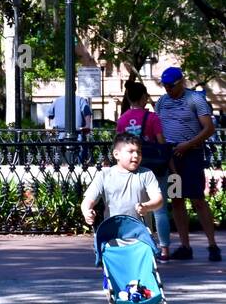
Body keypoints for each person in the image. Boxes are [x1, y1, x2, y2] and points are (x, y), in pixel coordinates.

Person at [155, 67, 220, 261]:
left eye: (171, 86)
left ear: (181, 82)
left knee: (197, 199)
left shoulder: (195, 100)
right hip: (172, 157)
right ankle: (185, 246)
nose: (168, 89)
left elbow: (209, 128)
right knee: (176, 199)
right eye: (165, 86)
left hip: (191, 155)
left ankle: (212, 245)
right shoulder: (162, 102)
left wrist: (188, 144)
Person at [116, 81, 172, 260]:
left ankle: (146, 245)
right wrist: (171, 166)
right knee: (159, 208)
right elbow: (161, 142)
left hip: (133, 168)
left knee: (140, 208)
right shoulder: (153, 118)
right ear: (144, 98)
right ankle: (165, 249)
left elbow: (118, 143)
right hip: (155, 166)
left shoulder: (123, 119)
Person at [80, 132, 164, 226]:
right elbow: (88, 200)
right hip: (113, 235)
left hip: (141, 236)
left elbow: (158, 200)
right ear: (116, 154)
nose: (136, 155)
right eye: (131, 151)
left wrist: (146, 206)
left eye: (139, 152)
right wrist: (87, 212)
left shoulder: (146, 174)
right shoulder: (104, 175)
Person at [46, 89, 92, 164]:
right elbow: (87, 115)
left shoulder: (57, 101)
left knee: (61, 165)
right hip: (77, 138)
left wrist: (48, 127)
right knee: (78, 166)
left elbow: (47, 115)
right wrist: (87, 125)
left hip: (60, 138)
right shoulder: (81, 100)